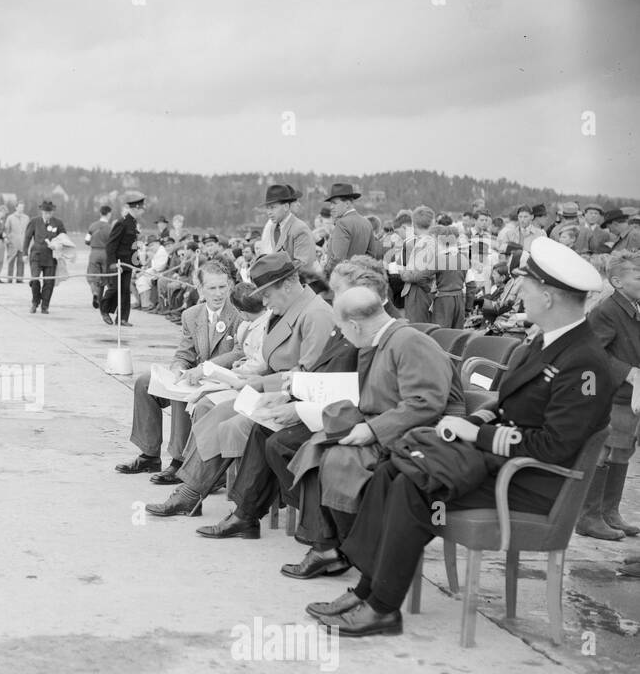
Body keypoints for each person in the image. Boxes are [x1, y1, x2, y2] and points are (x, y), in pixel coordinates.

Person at [311, 238, 614, 637]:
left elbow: (556, 446)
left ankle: (382, 607)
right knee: (390, 471)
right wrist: (480, 418)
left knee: (411, 486)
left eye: (525, 287)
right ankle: (367, 591)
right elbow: (507, 405)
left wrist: (479, 433)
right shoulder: (544, 343)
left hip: (529, 482)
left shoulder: (584, 362)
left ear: (548, 296)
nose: (518, 292)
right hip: (499, 466)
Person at [274, 284, 462, 569]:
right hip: (391, 428)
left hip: (417, 437)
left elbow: (425, 403)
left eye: (343, 330)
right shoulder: (383, 341)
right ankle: (328, 546)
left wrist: (372, 430)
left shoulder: (409, 342)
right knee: (316, 446)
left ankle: (356, 553)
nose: (343, 337)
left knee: (336, 457)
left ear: (355, 326)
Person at [197, 259, 377, 544]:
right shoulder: (312, 313)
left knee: (271, 435)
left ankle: (316, 527)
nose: (333, 298)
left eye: (267, 294)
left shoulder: (319, 315)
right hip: (313, 398)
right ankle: (245, 511)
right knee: (255, 425)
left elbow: (320, 376)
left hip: (332, 409)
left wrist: (281, 394)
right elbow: (317, 373)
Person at [145, 252, 336, 518]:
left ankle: (239, 510)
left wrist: (259, 382)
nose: (263, 301)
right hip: (273, 391)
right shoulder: (289, 309)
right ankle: (189, 492)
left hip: (295, 401)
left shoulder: (315, 315)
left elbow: (309, 376)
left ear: (289, 285)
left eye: (267, 294)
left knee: (233, 424)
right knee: (216, 411)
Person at [115, 261, 240, 479]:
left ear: (230, 285)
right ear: (200, 289)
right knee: (145, 383)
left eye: (223, 287)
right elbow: (185, 352)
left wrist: (203, 369)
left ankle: (179, 460)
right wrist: (178, 369)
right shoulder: (191, 315)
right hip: (198, 376)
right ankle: (149, 455)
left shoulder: (239, 313)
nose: (219, 293)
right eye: (212, 288)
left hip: (223, 381)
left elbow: (239, 353)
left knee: (183, 393)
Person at [580, 248, 640, 539]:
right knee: (604, 450)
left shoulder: (634, 307)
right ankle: (588, 517)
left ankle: (610, 512)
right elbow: (591, 353)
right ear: (617, 282)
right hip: (613, 394)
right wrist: (627, 371)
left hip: (630, 397)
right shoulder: (606, 311)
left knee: (624, 449)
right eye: (639, 277)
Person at [257, 183, 319, 280]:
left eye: (273, 207)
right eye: (267, 208)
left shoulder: (300, 228)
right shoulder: (273, 227)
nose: (269, 212)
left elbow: (303, 264)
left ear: (286, 207)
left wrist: (275, 272)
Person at [102, 191, 144, 325]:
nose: (143, 211)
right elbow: (110, 244)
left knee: (125, 291)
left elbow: (133, 245)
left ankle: (122, 318)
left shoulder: (133, 223)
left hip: (127, 263)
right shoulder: (122, 223)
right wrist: (113, 263)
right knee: (114, 289)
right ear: (136, 208)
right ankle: (104, 310)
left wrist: (137, 264)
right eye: (142, 208)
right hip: (118, 263)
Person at [23, 199, 65, 315]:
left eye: (50, 212)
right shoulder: (34, 221)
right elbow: (27, 238)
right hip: (36, 255)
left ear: (52, 212)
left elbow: (64, 238)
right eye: (46, 212)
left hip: (51, 257)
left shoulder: (58, 223)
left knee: (49, 283)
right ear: (42, 211)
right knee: (35, 279)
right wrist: (25, 253)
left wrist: (57, 245)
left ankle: (45, 306)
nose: (48, 215)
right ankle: (35, 302)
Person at [398, 205, 437, 323]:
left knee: (417, 326)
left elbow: (414, 273)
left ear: (414, 223)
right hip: (422, 290)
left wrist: (404, 274)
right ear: (432, 222)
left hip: (416, 291)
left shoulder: (415, 242)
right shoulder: (430, 242)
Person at [430, 222, 469, 328]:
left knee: (441, 334)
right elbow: (471, 285)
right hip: (459, 299)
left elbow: (423, 276)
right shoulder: (464, 258)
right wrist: (468, 307)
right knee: (457, 334)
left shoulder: (439, 259)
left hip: (443, 299)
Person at [324, 183, 373, 266]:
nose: (331, 207)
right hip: (359, 275)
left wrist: (325, 274)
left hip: (341, 276)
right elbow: (371, 255)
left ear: (347, 204)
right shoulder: (367, 223)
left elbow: (337, 259)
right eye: (330, 204)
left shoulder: (342, 223)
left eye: (334, 203)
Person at [86, 205, 113, 311]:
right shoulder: (110, 227)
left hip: (94, 253)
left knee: (93, 278)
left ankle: (95, 293)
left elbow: (86, 241)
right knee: (104, 278)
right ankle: (101, 300)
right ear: (109, 214)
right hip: (105, 253)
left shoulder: (92, 226)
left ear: (100, 213)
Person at [3, 202, 28, 284]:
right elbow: (6, 230)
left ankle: (19, 279)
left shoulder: (26, 218)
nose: (21, 209)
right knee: (11, 262)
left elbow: (28, 231)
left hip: (22, 244)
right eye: (20, 207)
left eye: (23, 207)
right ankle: (9, 279)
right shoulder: (10, 218)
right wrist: (7, 239)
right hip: (12, 244)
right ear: (16, 208)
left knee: (21, 262)